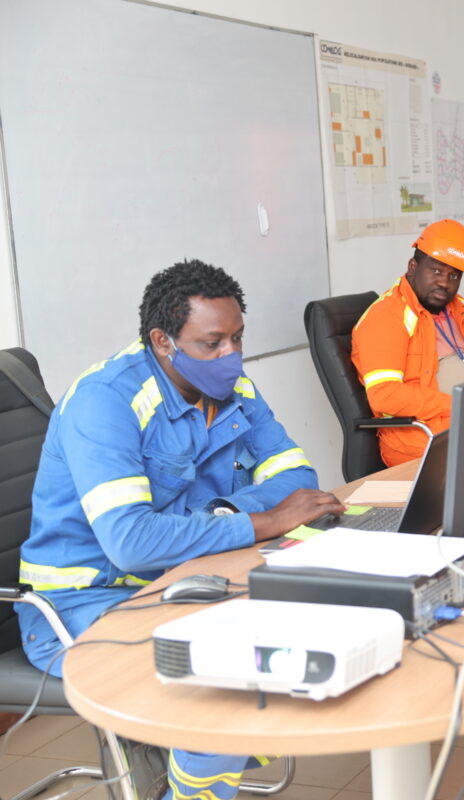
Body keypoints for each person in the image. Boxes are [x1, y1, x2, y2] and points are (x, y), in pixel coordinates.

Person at [17, 260, 345, 799]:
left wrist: (217, 520)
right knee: (224, 684)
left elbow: (298, 481)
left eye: (238, 338)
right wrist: (261, 520)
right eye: (212, 343)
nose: (231, 356)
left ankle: (195, 754)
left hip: (185, 580)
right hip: (80, 605)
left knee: (311, 630)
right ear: (164, 342)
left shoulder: (233, 384)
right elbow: (131, 542)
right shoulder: (105, 402)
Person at [352, 219, 464, 465]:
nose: (445, 283)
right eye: (436, 271)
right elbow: (385, 396)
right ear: (413, 267)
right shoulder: (386, 317)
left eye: (454, 276)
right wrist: (460, 405)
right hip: (428, 429)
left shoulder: (462, 310)